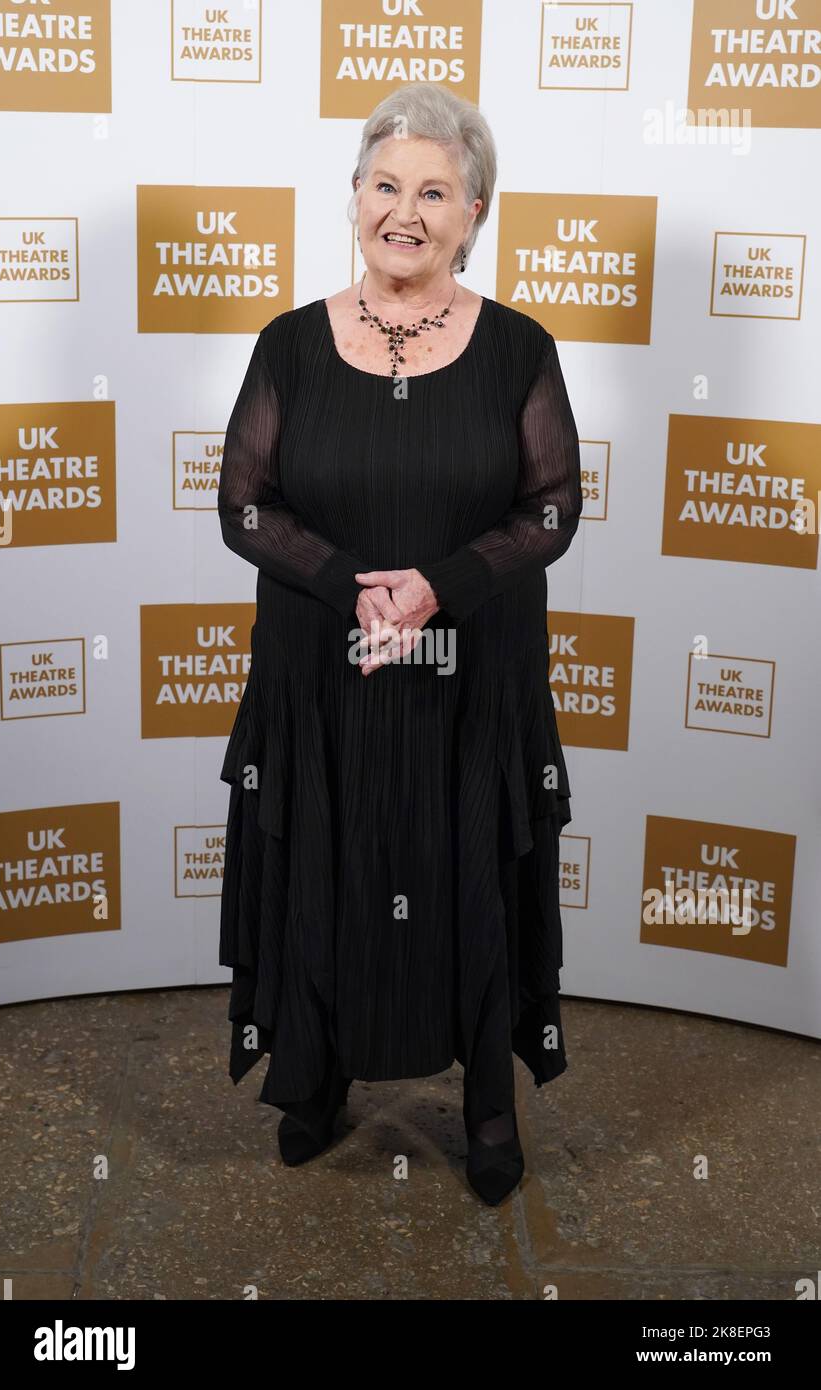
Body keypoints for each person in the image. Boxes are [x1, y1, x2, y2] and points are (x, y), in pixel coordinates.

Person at [217, 82, 583, 1205]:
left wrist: (437, 589)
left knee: (465, 872)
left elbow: (554, 508)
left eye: (435, 190)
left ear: (476, 211)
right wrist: (350, 588)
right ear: (354, 198)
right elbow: (243, 504)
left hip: (470, 681)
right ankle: (314, 1073)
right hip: (322, 676)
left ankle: (485, 1103)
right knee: (327, 863)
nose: (406, 211)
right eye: (386, 185)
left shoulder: (519, 347)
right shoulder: (290, 343)